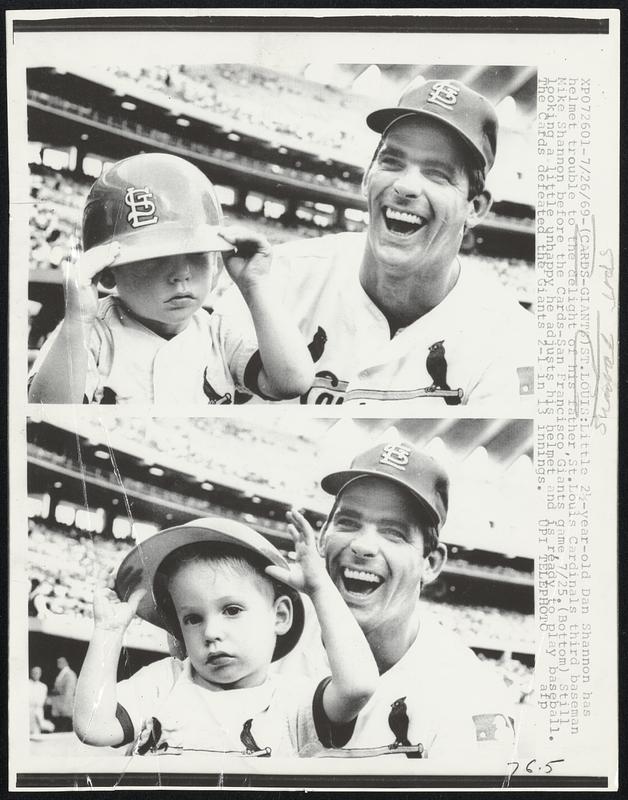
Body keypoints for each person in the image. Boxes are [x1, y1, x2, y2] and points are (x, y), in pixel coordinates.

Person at [217, 79, 534, 408]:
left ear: (476, 207)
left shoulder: (512, 340)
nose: (406, 186)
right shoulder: (272, 281)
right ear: (367, 177)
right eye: (392, 162)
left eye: (437, 174)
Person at [277, 441, 515, 760]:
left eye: (394, 533)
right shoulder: (267, 634)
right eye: (348, 522)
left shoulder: (469, 692)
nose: (363, 546)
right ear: (322, 538)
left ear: (430, 563)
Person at [73, 517, 378, 757]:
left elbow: (358, 687)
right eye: (192, 618)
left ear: (280, 616)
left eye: (232, 610)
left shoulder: (292, 702)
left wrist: (321, 588)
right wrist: (108, 633)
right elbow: (93, 727)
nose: (211, 633)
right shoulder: (162, 683)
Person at [28, 153, 313, 405]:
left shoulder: (218, 333)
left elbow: (292, 383)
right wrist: (77, 321)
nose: (181, 274)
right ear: (107, 271)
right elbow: (47, 409)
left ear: (216, 260)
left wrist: (255, 286)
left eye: (197, 253)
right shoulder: (91, 334)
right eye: (154, 258)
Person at [49, 657, 77, 733]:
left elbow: (69, 692)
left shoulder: (69, 674)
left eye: (60, 662)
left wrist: (65, 708)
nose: (58, 664)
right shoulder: (62, 674)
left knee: (65, 730)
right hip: (59, 707)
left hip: (65, 708)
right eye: (57, 662)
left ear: (66, 663)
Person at [29, 666, 53, 738]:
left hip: (39, 710)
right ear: (31, 673)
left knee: (37, 731)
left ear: (40, 674)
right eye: (34, 673)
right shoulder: (26, 684)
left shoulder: (43, 686)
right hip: (28, 710)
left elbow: (42, 700)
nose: (36, 674)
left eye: (38, 673)